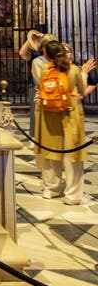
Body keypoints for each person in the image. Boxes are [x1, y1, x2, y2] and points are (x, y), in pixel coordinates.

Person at [36, 40, 89, 205]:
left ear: (47, 55)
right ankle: (72, 195)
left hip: (48, 113)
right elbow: (81, 90)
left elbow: (41, 86)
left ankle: (51, 189)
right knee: (72, 155)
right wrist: (84, 74)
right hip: (69, 112)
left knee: (50, 153)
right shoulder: (74, 69)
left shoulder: (45, 68)